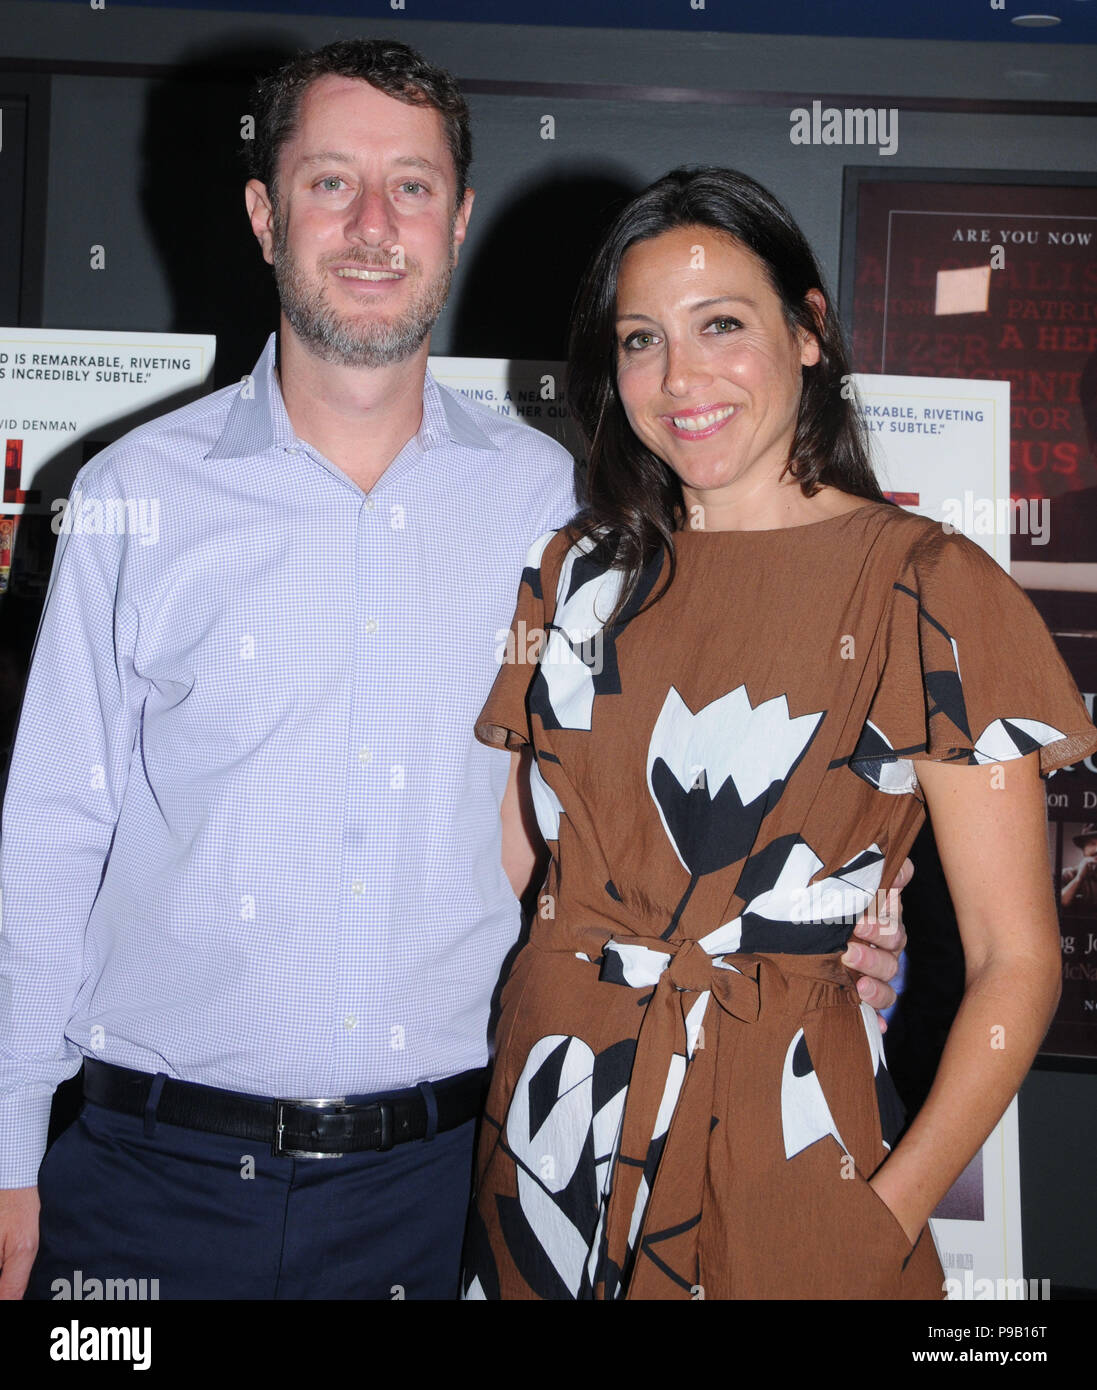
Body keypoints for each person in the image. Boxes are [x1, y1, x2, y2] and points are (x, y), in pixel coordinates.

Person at [0, 46, 905, 1302]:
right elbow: (50, 839)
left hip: (451, 1191)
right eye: (330, 182)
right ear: (263, 213)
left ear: (458, 218)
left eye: (411, 187)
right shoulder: (128, 497)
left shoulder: (565, 512)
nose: (374, 225)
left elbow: (643, 814)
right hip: (152, 1190)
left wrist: (823, 938)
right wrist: (6, 1154)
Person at [461, 166, 1097, 1301]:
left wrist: (875, 1220)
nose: (678, 376)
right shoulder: (573, 577)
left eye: (720, 324)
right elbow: (515, 875)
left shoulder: (925, 587)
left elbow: (1017, 961)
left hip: (786, 1152)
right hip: (549, 1135)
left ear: (808, 331)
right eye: (641, 339)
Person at [1061, 825, 1097, 913]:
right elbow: (1058, 904)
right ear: (1083, 848)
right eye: (1092, 844)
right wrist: (1078, 878)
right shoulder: (1066, 875)